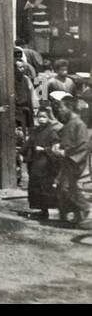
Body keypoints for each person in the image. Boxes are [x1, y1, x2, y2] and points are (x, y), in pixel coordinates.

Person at [49, 92, 89, 226]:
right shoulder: (68, 123)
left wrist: (65, 153)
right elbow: (63, 139)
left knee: (67, 187)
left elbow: (83, 146)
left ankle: (84, 208)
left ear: (69, 108)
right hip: (66, 160)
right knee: (62, 186)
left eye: (61, 108)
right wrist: (57, 145)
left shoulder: (79, 124)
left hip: (74, 161)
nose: (59, 110)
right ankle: (69, 214)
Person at [23, 107, 61, 220]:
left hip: (46, 163)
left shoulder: (52, 132)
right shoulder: (36, 130)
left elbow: (56, 148)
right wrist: (21, 152)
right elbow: (29, 142)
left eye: (44, 117)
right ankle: (41, 210)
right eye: (39, 117)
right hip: (35, 162)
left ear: (48, 118)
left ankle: (47, 211)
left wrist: (45, 149)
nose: (41, 119)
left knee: (44, 187)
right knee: (35, 186)